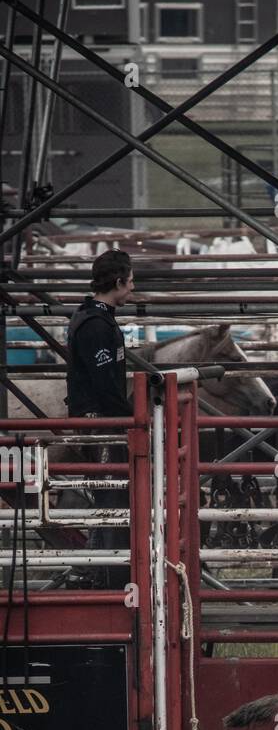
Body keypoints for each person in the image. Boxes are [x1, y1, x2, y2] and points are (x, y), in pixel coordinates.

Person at [66, 249, 134, 588]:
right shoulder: (96, 324)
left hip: (99, 419)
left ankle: (106, 572)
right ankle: (111, 577)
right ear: (119, 281)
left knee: (113, 496)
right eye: (130, 281)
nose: (132, 288)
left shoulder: (91, 318)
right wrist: (130, 418)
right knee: (113, 495)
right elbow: (104, 382)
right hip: (101, 423)